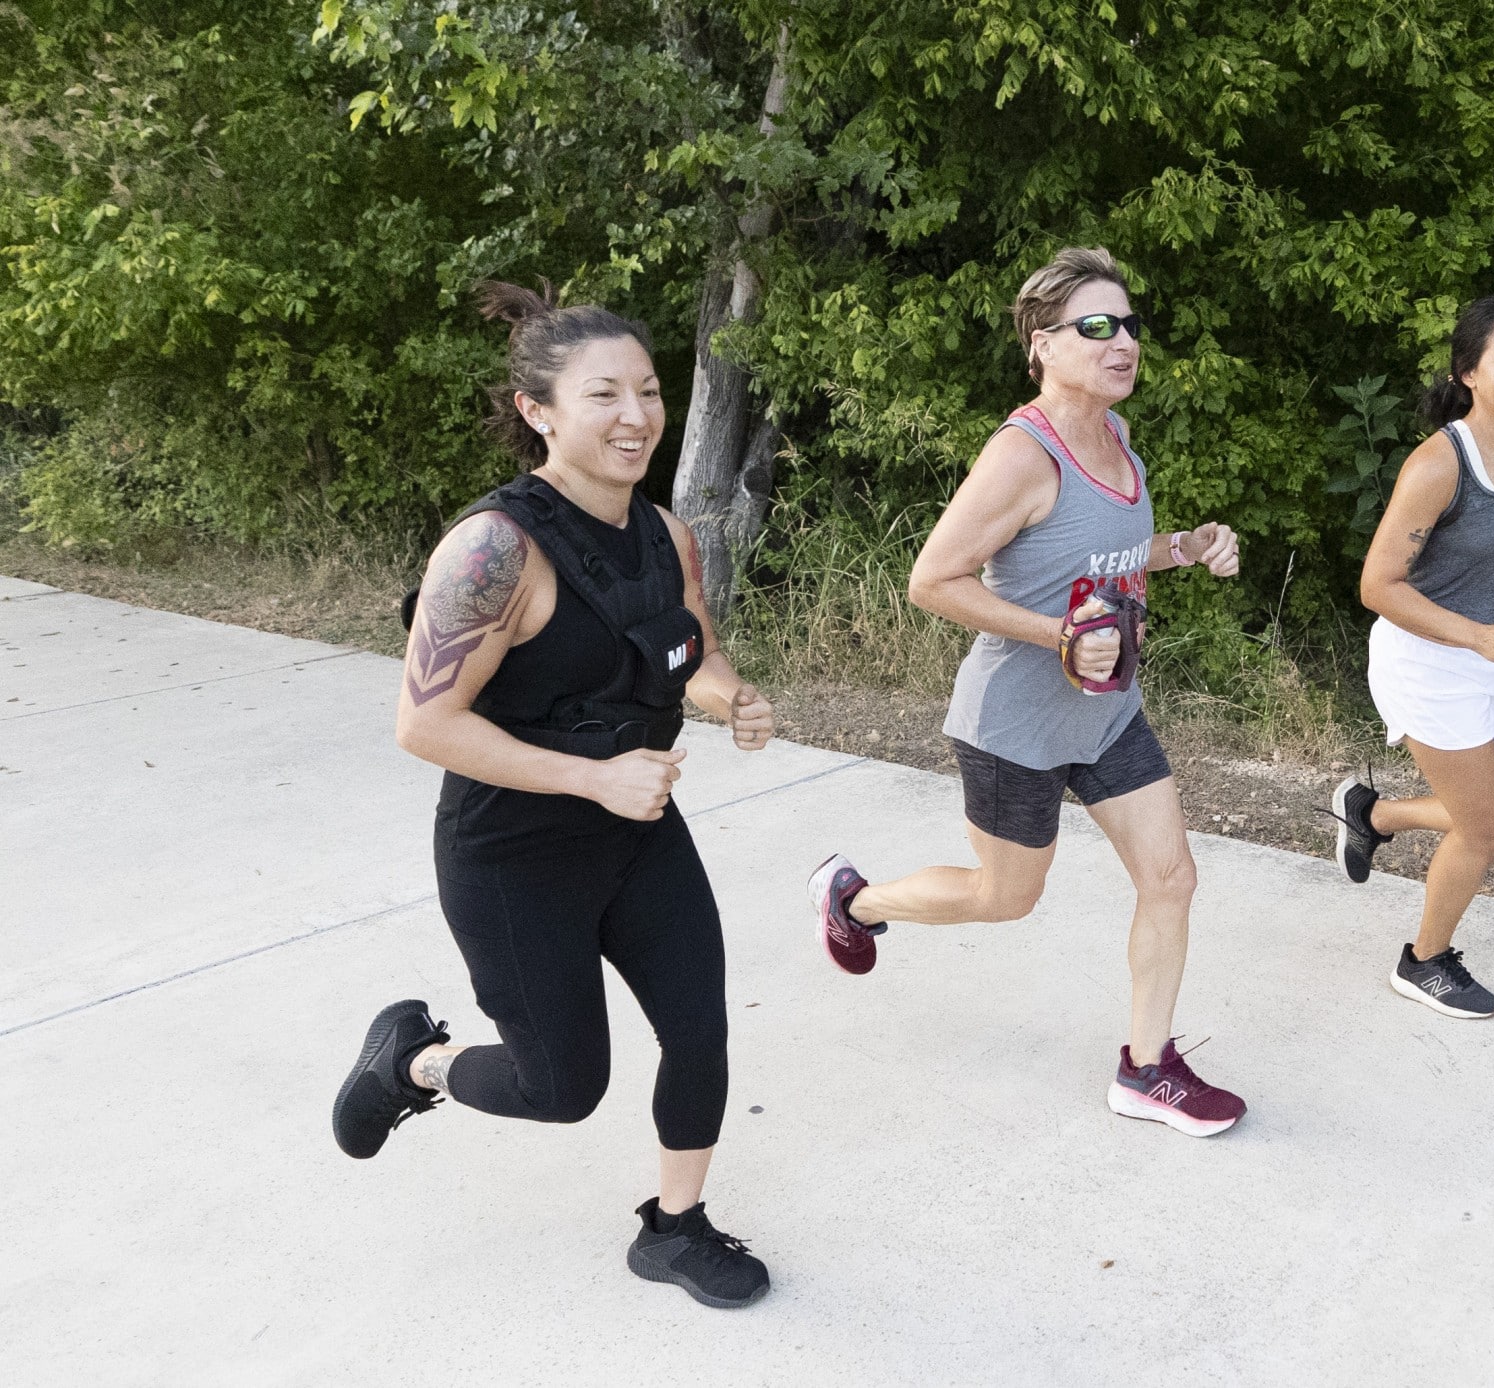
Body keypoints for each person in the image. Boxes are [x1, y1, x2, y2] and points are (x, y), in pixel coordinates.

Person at [330, 281, 777, 1308]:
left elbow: (684, 641)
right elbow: (423, 721)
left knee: (699, 1026)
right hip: (515, 854)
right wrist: (592, 775)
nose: (636, 416)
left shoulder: (665, 532)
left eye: (651, 392)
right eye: (604, 395)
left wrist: (730, 693)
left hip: (637, 833)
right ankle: (414, 1064)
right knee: (561, 1089)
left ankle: (675, 1227)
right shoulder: (494, 550)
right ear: (540, 412)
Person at [806, 247, 1250, 1136]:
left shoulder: (1117, 437)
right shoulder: (1023, 455)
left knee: (1171, 877)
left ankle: (1147, 1069)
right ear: (1041, 346)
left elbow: (1106, 559)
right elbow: (932, 580)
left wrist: (1185, 547)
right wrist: (1059, 638)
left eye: (1128, 324)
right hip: (1015, 727)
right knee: (1006, 897)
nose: (1121, 341)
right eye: (1096, 327)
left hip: (1108, 711)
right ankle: (851, 899)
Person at [1328, 296, 1494, 1018]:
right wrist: (1476, 635)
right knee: (1483, 826)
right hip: (1425, 653)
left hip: (1490, 655)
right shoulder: (1438, 464)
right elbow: (1377, 585)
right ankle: (1424, 962)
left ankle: (1373, 816)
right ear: (1469, 372)